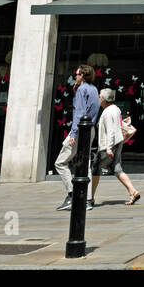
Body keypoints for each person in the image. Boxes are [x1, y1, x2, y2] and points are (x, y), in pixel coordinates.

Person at [54, 64, 100, 210]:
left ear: (83, 75)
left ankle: (71, 194)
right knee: (84, 162)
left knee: (60, 163)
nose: (75, 77)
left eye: (77, 74)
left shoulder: (82, 89)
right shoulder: (93, 89)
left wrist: (73, 133)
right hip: (90, 129)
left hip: (80, 130)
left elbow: (79, 113)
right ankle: (87, 200)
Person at [91, 88, 140, 208]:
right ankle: (133, 191)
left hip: (108, 145)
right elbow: (116, 126)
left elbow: (111, 131)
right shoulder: (116, 109)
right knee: (117, 169)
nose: (98, 98)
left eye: (99, 96)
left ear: (103, 99)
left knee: (95, 170)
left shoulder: (107, 112)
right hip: (117, 143)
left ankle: (89, 198)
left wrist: (108, 149)